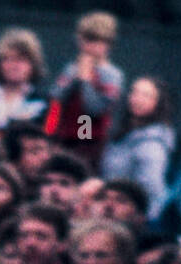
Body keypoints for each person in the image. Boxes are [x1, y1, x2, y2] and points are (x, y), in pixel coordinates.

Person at [44, 11, 124, 171]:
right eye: (87, 40)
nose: (90, 47)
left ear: (107, 45)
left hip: (89, 140)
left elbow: (92, 110)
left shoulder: (112, 75)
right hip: (63, 138)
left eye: (97, 42)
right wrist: (74, 78)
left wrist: (86, 81)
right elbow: (55, 97)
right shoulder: (72, 68)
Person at [99, 76, 176, 223]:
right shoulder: (121, 134)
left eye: (146, 95)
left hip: (130, 219)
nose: (137, 99)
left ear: (158, 103)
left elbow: (151, 190)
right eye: (135, 92)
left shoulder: (153, 145)